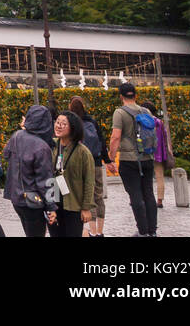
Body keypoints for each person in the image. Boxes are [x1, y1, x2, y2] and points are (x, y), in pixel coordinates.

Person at [109, 82, 157, 237]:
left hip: (129, 160)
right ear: (136, 95)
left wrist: (111, 158)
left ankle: (143, 231)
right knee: (148, 194)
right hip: (147, 158)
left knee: (135, 195)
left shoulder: (120, 113)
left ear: (121, 96)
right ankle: (152, 230)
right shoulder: (146, 111)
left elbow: (116, 137)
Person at [2, 104, 56, 237]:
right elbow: (46, 179)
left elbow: (6, 154)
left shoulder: (17, 136)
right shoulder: (42, 147)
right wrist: (52, 207)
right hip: (33, 200)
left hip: (16, 197)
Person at [49, 110, 95, 237]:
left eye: (63, 124)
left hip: (73, 205)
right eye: (57, 122)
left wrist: (86, 208)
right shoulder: (51, 146)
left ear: (73, 128)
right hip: (53, 202)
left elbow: (89, 182)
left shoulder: (83, 152)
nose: (58, 126)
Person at [69, 95, 107, 237]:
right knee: (98, 196)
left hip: (80, 164)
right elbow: (102, 141)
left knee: (88, 197)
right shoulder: (92, 121)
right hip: (96, 162)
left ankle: (92, 230)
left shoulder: (72, 123)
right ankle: (100, 231)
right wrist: (107, 160)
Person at [142, 101, 171, 208]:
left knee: (144, 177)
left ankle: (145, 199)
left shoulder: (141, 121)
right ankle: (160, 200)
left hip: (145, 153)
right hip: (158, 152)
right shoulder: (159, 122)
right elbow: (164, 137)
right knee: (160, 176)